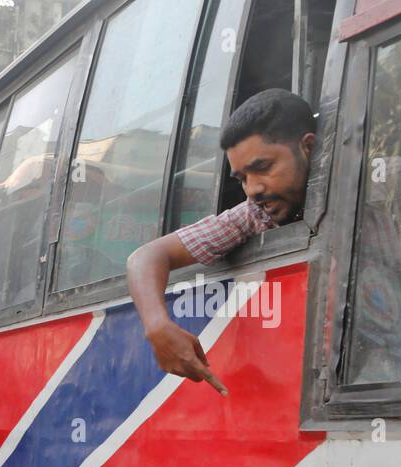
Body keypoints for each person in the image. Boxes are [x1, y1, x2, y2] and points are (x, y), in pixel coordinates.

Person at [126, 89, 317, 394]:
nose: (252, 190)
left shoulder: (398, 190)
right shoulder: (254, 215)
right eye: (242, 178)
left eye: (263, 167)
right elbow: (145, 258)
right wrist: (157, 326)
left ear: (307, 147)